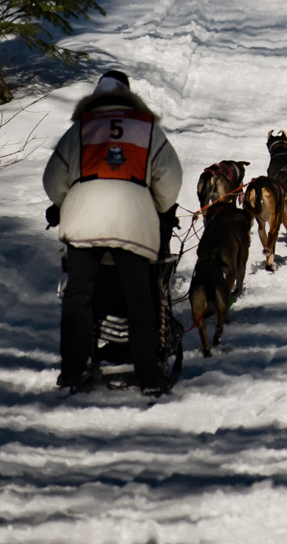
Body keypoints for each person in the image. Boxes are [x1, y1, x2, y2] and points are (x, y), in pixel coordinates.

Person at [41, 70, 183, 394]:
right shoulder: (147, 129)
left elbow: (53, 180)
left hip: (83, 223)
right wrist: (159, 208)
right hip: (133, 222)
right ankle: (149, 375)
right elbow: (170, 179)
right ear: (129, 96)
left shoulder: (80, 129)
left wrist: (66, 201)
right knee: (140, 296)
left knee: (79, 295)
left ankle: (72, 371)